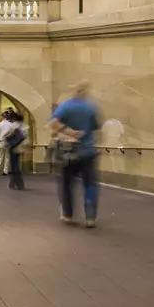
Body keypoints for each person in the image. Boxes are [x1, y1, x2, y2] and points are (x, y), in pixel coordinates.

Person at [50, 83, 102, 227]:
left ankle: (68, 214)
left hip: (70, 152)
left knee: (67, 183)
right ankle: (90, 217)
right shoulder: (91, 107)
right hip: (88, 150)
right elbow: (97, 127)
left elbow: (52, 124)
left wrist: (68, 132)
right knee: (90, 183)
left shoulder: (66, 106)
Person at [5, 111, 28, 190]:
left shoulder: (13, 126)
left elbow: (6, 135)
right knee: (16, 164)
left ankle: (19, 183)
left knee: (14, 165)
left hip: (13, 147)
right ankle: (13, 183)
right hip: (21, 147)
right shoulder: (25, 127)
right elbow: (26, 138)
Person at [0, 109, 15, 176]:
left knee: (0, 156)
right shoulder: (11, 125)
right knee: (7, 156)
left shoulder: (0, 124)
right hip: (9, 142)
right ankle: (5, 171)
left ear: (3, 117)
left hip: (2, 141)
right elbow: (14, 133)